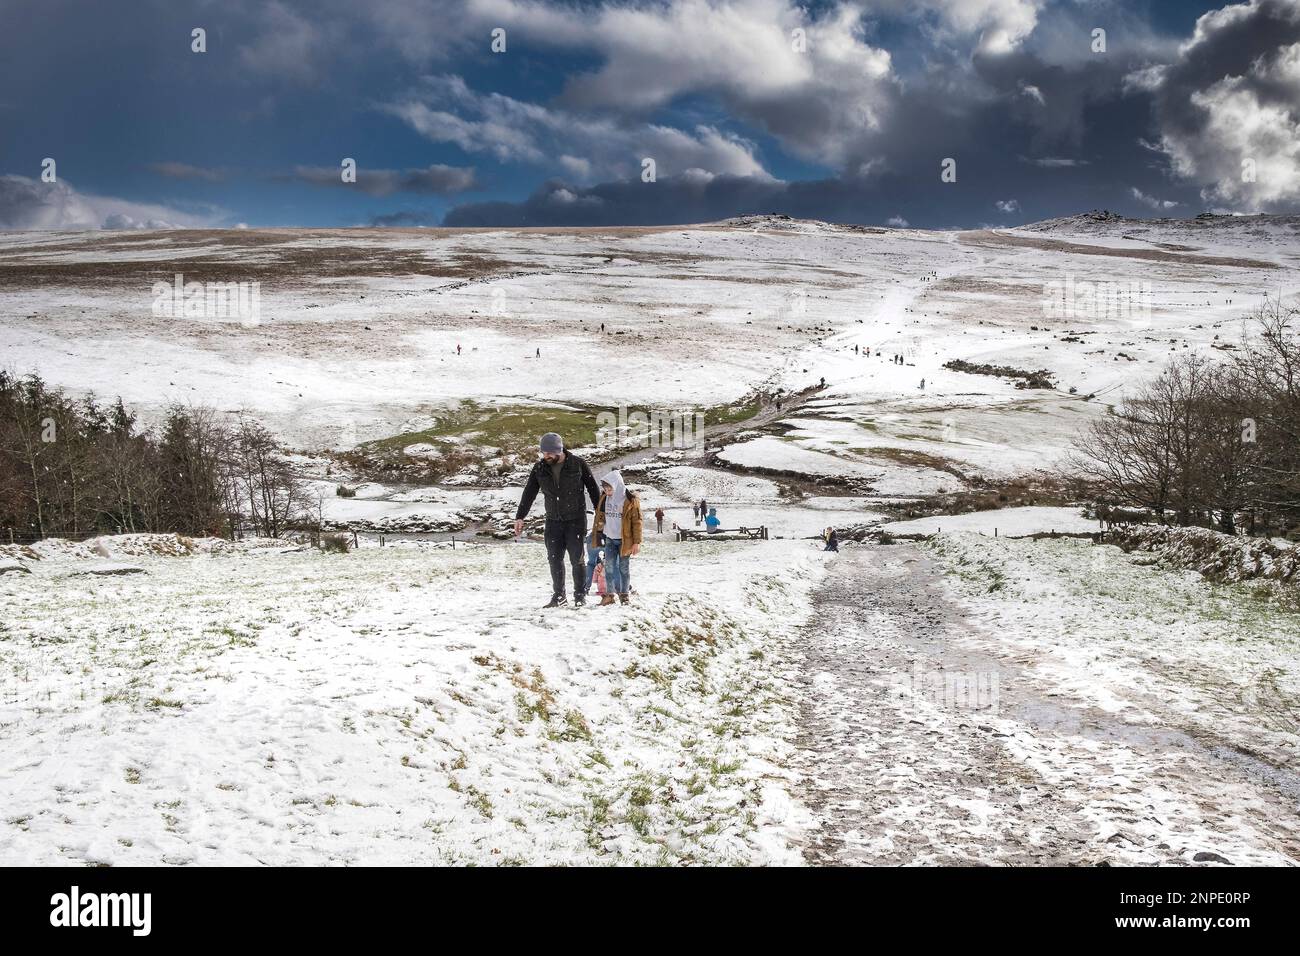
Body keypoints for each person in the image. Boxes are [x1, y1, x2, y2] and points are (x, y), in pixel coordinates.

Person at [514, 432, 601, 607]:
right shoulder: (540, 468)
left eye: (549, 453)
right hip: (553, 521)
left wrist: (601, 516)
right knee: (554, 559)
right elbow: (529, 492)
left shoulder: (578, 464)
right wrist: (520, 516)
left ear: (559, 450)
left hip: (576, 520)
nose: (545, 456)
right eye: (543, 453)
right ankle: (559, 596)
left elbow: (593, 489)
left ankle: (579, 596)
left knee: (577, 559)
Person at [591, 470, 642, 605]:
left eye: (610, 489)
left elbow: (637, 523)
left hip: (624, 541)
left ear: (617, 485)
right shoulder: (604, 498)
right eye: (605, 489)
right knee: (609, 568)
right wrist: (599, 532)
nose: (607, 492)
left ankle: (624, 595)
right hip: (609, 539)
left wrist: (637, 542)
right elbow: (600, 515)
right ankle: (609, 595)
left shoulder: (630, 501)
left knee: (624, 568)